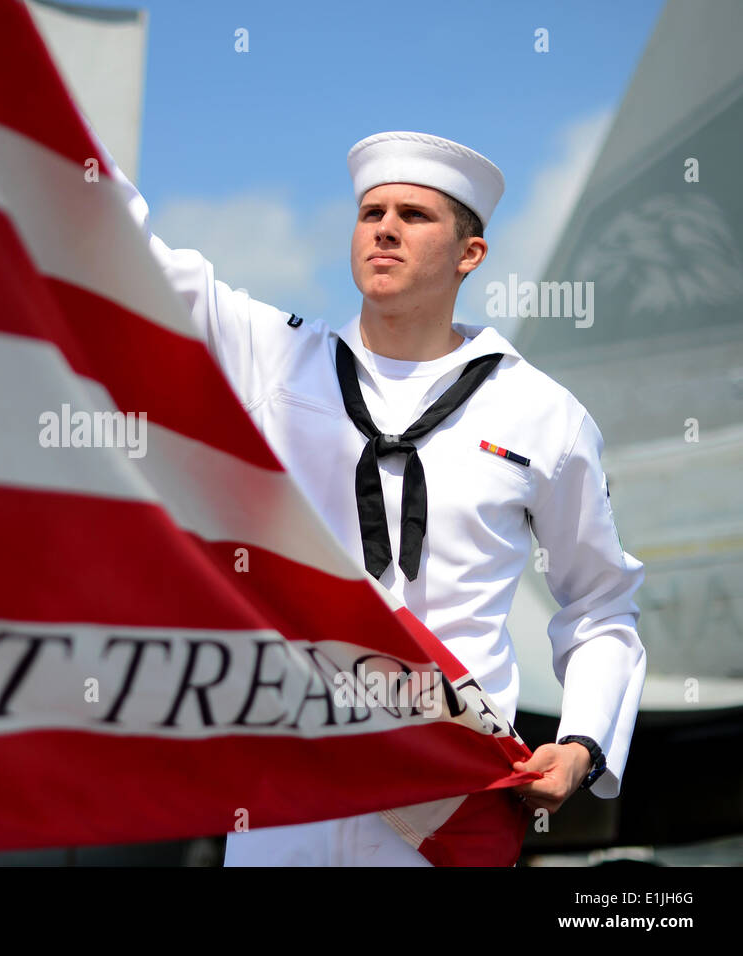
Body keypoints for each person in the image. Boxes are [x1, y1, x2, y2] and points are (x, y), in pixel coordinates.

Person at [102, 129, 647, 866]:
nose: (384, 227)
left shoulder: (543, 416)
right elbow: (134, 261)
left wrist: (582, 743)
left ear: (470, 254)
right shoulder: (278, 359)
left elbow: (600, 602)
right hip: (287, 794)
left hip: (441, 810)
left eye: (415, 215)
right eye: (371, 212)